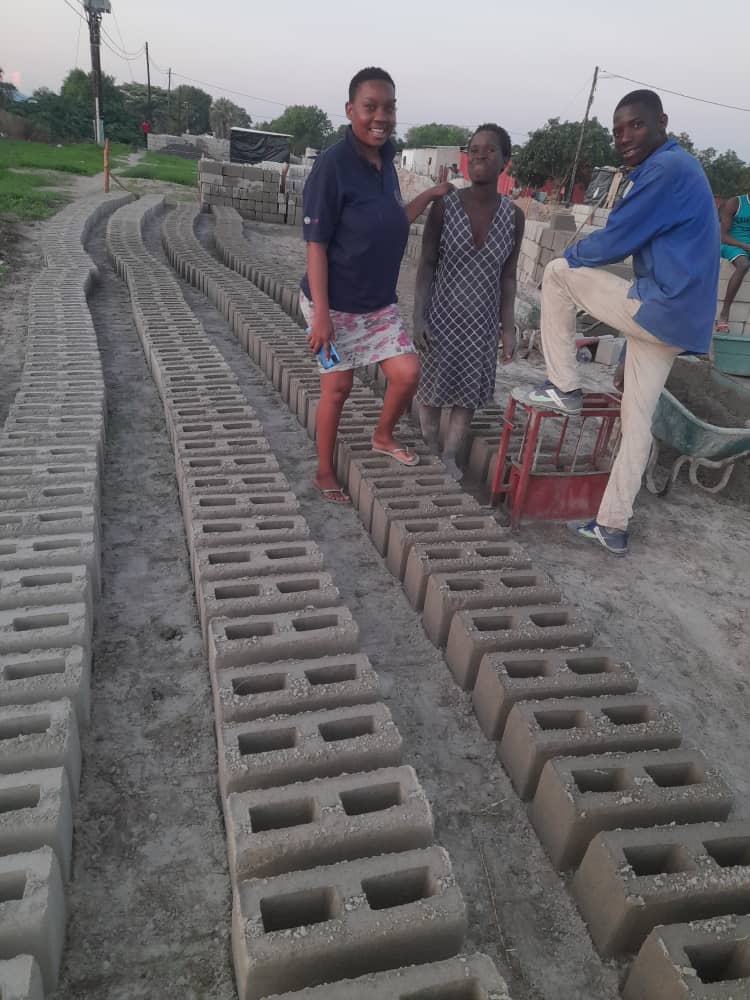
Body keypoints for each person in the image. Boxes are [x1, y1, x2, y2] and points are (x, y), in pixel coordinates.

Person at [527, 89, 719, 556]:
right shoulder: (679, 168)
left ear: (661, 122)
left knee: (557, 274)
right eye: (617, 130)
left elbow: (614, 241)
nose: (625, 137)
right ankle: (613, 524)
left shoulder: (664, 170)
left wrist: (571, 254)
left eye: (635, 125)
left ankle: (564, 385)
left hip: (661, 307)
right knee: (637, 423)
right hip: (678, 323)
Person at [301, 67, 450, 502]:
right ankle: (324, 470)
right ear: (351, 110)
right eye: (370, 107)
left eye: (389, 107)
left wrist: (429, 196)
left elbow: (389, 222)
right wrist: (323, 317)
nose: (380, 117)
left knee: (406, 373)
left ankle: (382, 436)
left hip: (377, 305)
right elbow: (315, 245)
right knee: (338, 387)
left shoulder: (385, 160)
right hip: (332, 302)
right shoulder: (333, 166)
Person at [413, 124, 523, 479]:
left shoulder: (514, 217)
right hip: (441, 317)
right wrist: (418, 318)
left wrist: (508, 328)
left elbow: (507, 276)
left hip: (481, 324)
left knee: (465, 397)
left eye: (490, 150)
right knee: (431, 393)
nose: (479, 154)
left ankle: (450, 457)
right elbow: (427, 264)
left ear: (505, 161)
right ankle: (430, 449)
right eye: (474, 148)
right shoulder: (445, 207)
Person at [716, 193, 750, 332]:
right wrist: (745, 246)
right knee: (743, 264)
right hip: (731, 245)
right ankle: (724, 314)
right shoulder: (735, 203)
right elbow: (722, 236)